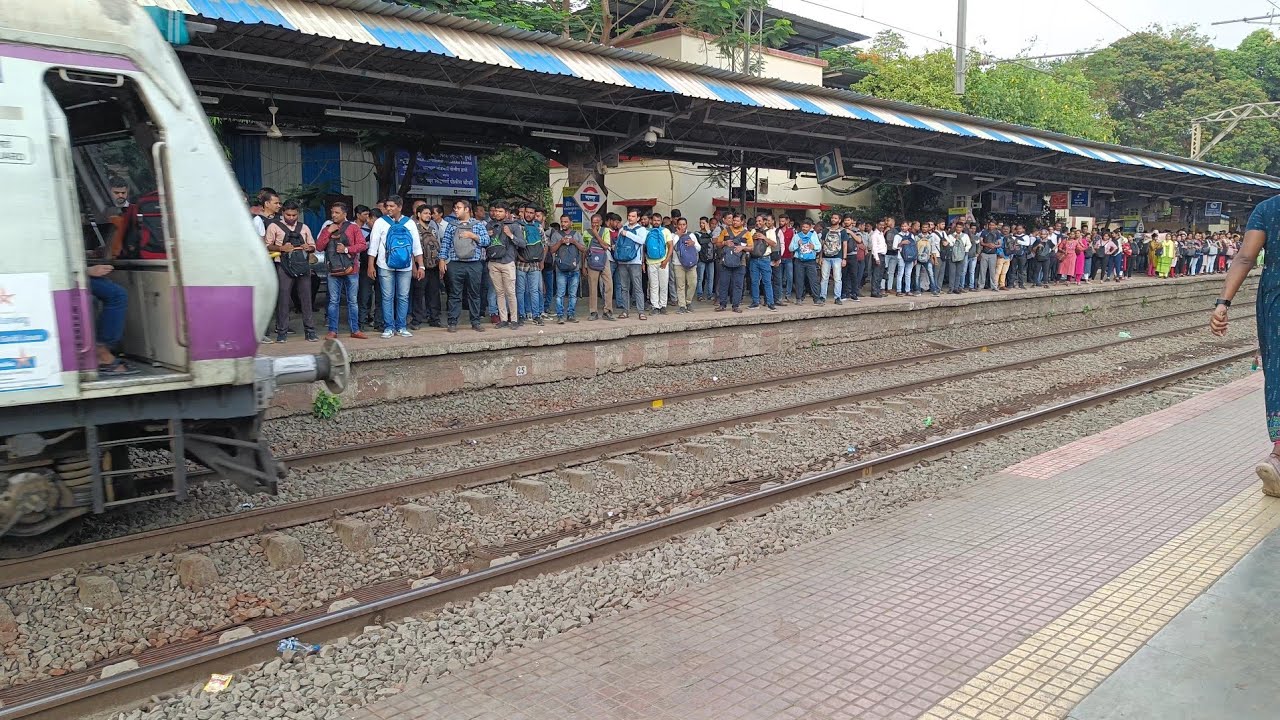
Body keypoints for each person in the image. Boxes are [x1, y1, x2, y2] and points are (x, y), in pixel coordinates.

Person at [1211, 197, 1279, 493]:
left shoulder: (1268, 208)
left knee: (1277, 370)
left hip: (1275, 300)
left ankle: (1279, 455)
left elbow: (1244, 258)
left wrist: (1223, 302)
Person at [367, 196, 425, 338]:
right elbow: (373, 245)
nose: (388, 209)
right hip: (384, 265)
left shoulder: (410, 223)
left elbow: (416, 246)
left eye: (392, 206)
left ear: (400, 207)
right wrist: (370, 265)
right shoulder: (380, 222)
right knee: (387, 297)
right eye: (387, 206)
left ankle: (401, 326)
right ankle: (388, 327)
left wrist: (421, 266)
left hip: (405, 266)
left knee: (403, 296)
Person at [264, 200, 317, 343]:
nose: (291, 218)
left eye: (294, 215)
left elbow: (313, 246)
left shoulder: (304, 227)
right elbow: (267, 245)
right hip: (283, 266)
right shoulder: (274, 226)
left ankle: (310, 331)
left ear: (298, 214)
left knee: (306, 299)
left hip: (303, 266)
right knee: (284, 300)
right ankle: (282, 332)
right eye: (288, 214)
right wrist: (281, 248)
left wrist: (308, 248)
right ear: (283, 213)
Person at [317, 201, 367, 340]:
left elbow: (362, 245)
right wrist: (328, 232)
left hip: (352, 269)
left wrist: (346, 249)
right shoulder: (327, 228)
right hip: (333, 270)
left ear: (344, 214)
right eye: (332, 212)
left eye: (337, 213)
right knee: (333, 301)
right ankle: (333, 331)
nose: (334, 215)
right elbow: (319, 247)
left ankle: (355, 330)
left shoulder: (353, 228)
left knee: (353, 301)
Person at [439, 199, 491, 333]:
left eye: (458, 208)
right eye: (455, 207)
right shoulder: (451, 225)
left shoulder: (478, 225)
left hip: (474, 263)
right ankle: (452, 322)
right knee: (454, 294)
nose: (455, 210)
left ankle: (476, 321)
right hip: (455, 264)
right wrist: (442, 260)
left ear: (467, 209)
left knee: (474, 294)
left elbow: (486, 241)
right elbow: (445, 243)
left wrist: (473, 236)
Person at [486, 202, 523, 329]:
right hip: (493, 262)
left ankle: (514, 319)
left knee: (510, 292)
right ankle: (503, 319)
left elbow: (522, 243)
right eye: (496, 211)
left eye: (500, 211)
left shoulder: (514, 226)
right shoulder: (490, 225)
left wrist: (510, 235)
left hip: (507, 262)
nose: (497, 213)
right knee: (499, 292)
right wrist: (487, 235)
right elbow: (484, 242)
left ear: (506, 213)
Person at [548, 214, 585, 324]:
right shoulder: (556, 235)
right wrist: (560, 242)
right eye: (562, 222)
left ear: (571, 223)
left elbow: (583, 249)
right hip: (561, 269)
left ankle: (571, 314)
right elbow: (551, 250)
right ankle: (560, 316)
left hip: (574, 269)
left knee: (573, 294)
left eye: (565, 222)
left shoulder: (577, 235)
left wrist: (574, 242)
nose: (563, 224)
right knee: (560, 294)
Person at [516, 204, 545, 326]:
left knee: (534, 291)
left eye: (531, 213)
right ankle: (521, 315)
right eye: (526, 212)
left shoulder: (538, 227)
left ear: (534, 214)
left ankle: (536, 315)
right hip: (520, 264)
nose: (528, 214)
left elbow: (544, 244)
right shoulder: (517, 226)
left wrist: (541, 260)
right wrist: (519, 256)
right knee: (521, 290)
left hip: (534, 264)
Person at [616, 210, 647, 319]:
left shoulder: (642, 229)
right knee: (624, 287)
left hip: (635, 262)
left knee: (637, 287)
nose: (630, 218)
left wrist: (627, 234)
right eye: (629, 216)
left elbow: (642, 241)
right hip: (622, 261)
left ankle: (641, 311)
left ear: (638, 218)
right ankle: (625, 311)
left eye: (633, 216)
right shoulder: (622, 228)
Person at [585, 212, 615, 321]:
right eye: (593, 223)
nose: (595, 225)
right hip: (591, 261)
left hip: (604, 260)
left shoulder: (605, 231)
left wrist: (596, 234)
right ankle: (593, 312)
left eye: (597, 223)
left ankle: (608, 311)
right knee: (592, 287)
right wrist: (583, 265)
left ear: (601, 222)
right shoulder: (586, 233)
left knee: (608, 285)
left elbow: (605, 246)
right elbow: (585, 250)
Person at [718, 213, 751, 313]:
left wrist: (743, 247)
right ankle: (722, 305)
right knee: (723, 284)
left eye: (737, 220)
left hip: (740, 263)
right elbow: (718, 244)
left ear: (742, 222)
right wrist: (725, 242)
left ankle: (735, 305)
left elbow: (751, 247)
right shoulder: (725, 231)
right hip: (725, 262)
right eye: (734, 220)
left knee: (738, 284)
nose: (734, 222)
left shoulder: (747, 233)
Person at [670, 217, 702, 313]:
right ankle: (682, 306)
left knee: (693, 283)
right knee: (680, 285)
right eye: (680, 224)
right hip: (678, 264)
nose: (682, 226)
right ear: (676, 225)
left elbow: (699, 248)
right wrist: (678, 235)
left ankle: (688, 302)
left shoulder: (691, 235)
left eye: (684, 224)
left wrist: (694, 244)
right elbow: (672, 246)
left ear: (686, 225)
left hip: (691, 264)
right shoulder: (673, 235)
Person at [819, 213, 846, 305]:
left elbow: (844, 245)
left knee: (837, 278)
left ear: (839, 220)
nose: (833, 219)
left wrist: (844, 258)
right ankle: (822, 296)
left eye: (835, 218)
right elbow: (822, 244)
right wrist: (820, 257)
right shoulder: (825, 230)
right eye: (832, 218)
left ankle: (837, 297)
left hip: (837, 257)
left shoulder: (843, 231)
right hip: (826, 257)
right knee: (824, 278)